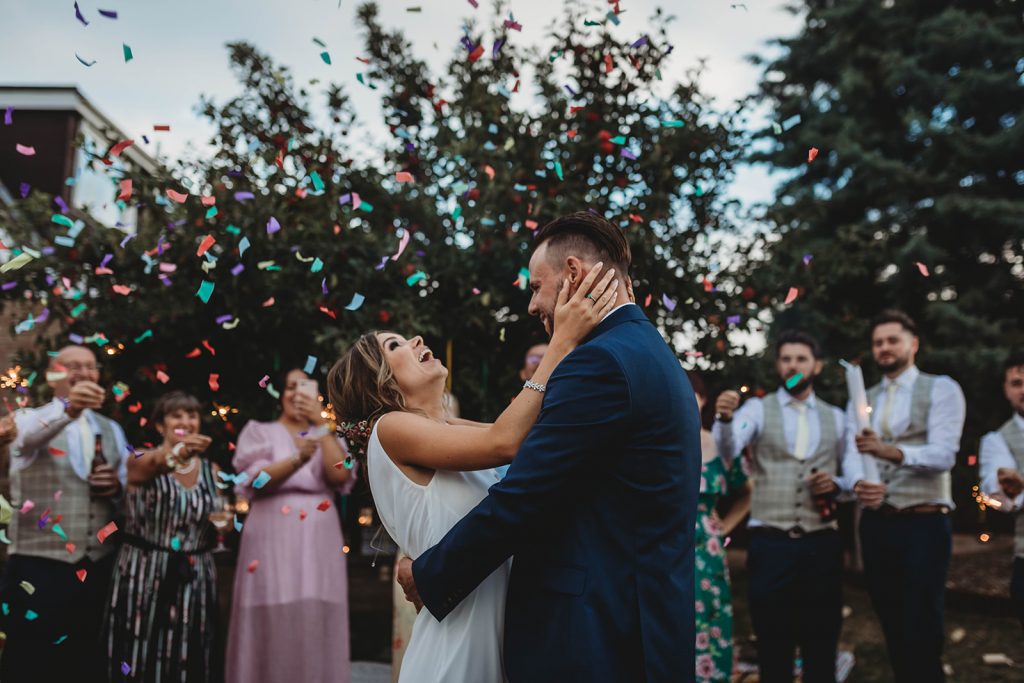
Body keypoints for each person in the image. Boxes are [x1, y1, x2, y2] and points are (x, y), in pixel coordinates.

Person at [382, 211, 702, 681]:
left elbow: (526, 497)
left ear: (572, 274)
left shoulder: (599, 363)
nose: (532, 306)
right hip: (642, 622)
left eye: (535, 287)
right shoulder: (647, 349)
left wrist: (432, 576)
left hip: (595, 634)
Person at [713, 330, 863, 683]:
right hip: (771, 545)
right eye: (786, 359)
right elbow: (729, 451)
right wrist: (723, 421)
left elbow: (853, 472)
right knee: (773, 642)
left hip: (821, 545)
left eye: (800, 359)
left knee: (821, 641)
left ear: (817, 366)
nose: (792, 365)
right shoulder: (757, 410)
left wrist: (838, 484)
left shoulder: (838, 417)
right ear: (778, 366)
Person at [0, 345, 128, 682]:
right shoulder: (27, 419)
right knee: (30, 661)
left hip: (96, 565)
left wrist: (116, 489)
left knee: (85, 662)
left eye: (90, 367)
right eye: (73, 366)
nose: (84, 373)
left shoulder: (112, 430)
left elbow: (128, 493)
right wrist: (70, 410)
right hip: (38, 565)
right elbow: (26, 440)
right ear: (52, 374)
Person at [851, 310, 965, 682]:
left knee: (923, 623)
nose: (884, 348)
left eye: (892, 340)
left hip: (924, 522)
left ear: (912, 344)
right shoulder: (862, 398)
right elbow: (852, 456)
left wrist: (891, 452)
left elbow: (944, 454)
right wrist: (858, 482)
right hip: (877, 524)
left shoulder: (941, 388)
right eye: (878, 342)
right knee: (891, 620)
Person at [225, 369, 356, 683]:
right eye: (290, 388)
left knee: (316, 606)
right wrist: (296, 460)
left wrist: (322, 429)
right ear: (281, 395)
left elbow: (341, 476)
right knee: (271, 605)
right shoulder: (259, 431)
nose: (297, 394)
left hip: (319, 536)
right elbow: (255, 481)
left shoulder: (332, 436)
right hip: (270, 532)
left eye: (305, 388)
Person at [104, 391, 223, 681]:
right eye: (177, 415)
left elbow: (220, 519)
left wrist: (226, 523)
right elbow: (153, 466)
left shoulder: (212, 470)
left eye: (192, 415)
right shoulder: (139, 458)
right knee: (138, 649)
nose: (186, 420)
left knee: (189, 647)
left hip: (195, 575)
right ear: (160, 425)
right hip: (144, 571)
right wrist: (180, 452)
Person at [689, 371, 752, 681]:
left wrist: (725, 526)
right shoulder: (655, 442)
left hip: (707, 547)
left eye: (693, 394)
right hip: (662, 541)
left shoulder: (718, 444)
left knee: (708, 618)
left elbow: (747, 491)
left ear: (703, 400)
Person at [978, 350, 1024, 629]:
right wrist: (1013, 492)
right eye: (1017, 382)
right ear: (1006, 390)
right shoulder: (997, 441)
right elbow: (1002, 500)